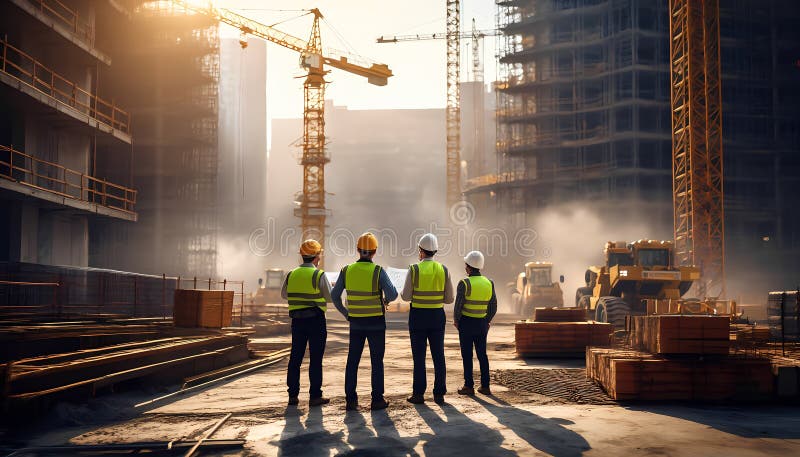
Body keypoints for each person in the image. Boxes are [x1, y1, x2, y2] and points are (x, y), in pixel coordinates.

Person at [331, 232, 398, 411]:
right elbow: (392, 294)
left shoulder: (347, 270)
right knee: (377, 361)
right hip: (376, 323)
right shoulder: (378, 271)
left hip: (356, 324)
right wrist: (385, 300)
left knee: (353, 361)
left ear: (358, 250)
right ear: (374, 251)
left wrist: (346, 314)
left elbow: (334, 295)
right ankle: (377, 400)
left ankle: (351, 401)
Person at [400, 233, 454, 404]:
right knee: (438, 355)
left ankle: (418, 394)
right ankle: (439, 393)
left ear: (421, 251)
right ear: (435, 251)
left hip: (418, 317)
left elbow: (406, 296)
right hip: (437, 316)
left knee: (419, 357)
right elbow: (449, 299)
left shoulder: (414, 269)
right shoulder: (444, 269)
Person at [281, 239, 332, 407]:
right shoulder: (319, 275)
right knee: (315, 359)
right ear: (317, 256)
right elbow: (330, 297)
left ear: (302, 256)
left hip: (297, 321)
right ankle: (315, 396)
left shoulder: (291, 274)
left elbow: (284, 294)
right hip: (316, 321)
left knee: (295, 357)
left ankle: (293, 396)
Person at [454, 250, 497, 396]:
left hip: (466, 323)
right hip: (482, 324)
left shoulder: (464, 283)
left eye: (466, 265)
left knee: (467, 355)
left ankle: (469, 386)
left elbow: (458, 306)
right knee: (482, 354)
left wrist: (457, 321)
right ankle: (485, 386)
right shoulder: (489, 283)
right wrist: (487, 320)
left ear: (469, 267)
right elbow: (493, 306)